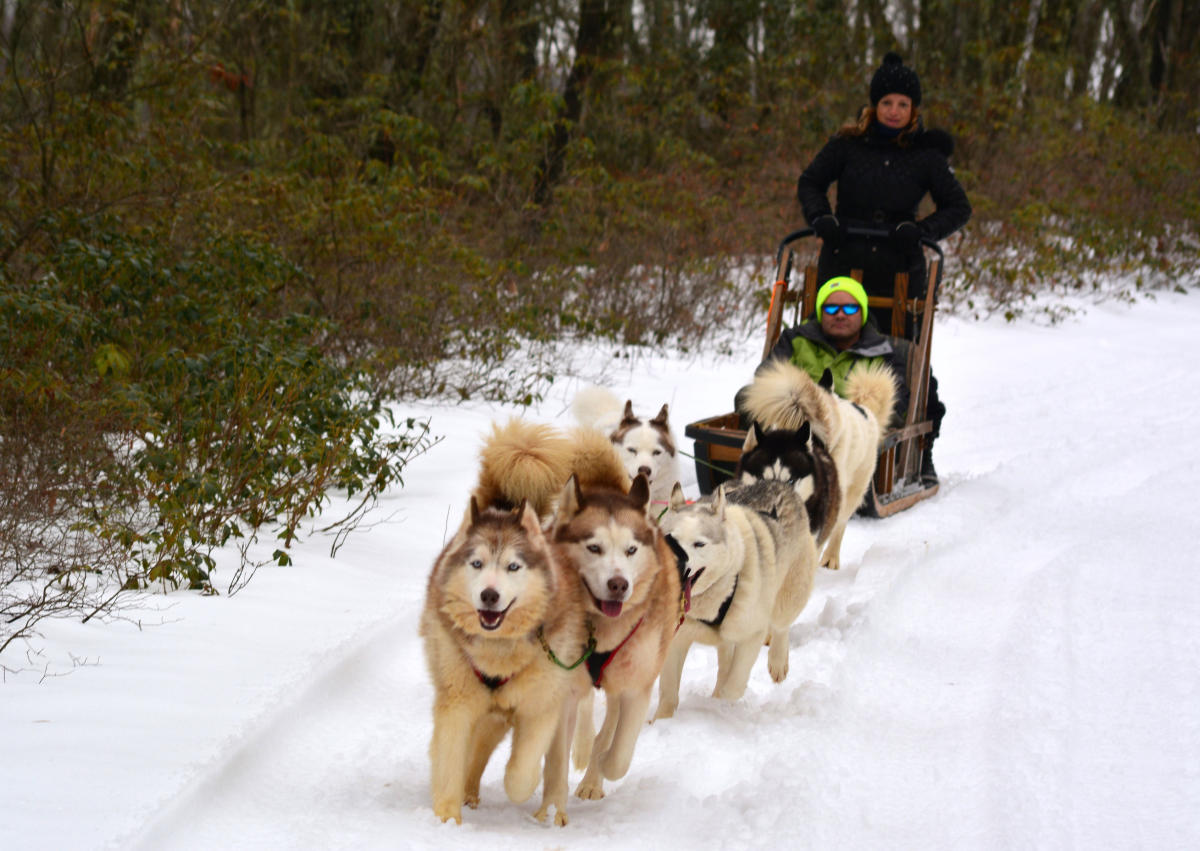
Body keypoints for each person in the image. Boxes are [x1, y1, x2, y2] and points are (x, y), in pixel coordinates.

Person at [796, 51, 971, 334]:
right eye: (887, 102)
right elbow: (810, 182)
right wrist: (821, 218)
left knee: (896, 353)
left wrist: (921, 231)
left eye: (903, 104)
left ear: (913, 109)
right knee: (831, 340)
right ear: (874, 105)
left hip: (898, 264)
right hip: (843, 254)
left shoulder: (926, 155)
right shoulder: (847, 144)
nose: (894, 111)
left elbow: (958, 207)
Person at [737, 277, 944, 485]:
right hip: (792, 426)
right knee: (745, 397)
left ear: (862, 313)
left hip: (851, 436)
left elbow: (897, 406)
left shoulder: (886, 352)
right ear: (820, 312)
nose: (841, 315)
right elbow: (765, 379)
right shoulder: (795, 340)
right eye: (831, 309)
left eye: (851, 309)